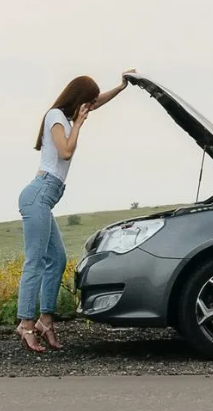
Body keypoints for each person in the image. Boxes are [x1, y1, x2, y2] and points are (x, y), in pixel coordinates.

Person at [15, 69, 134, 352]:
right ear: (79, 100)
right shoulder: (56, 116)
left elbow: (99, 101)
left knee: (57, 260)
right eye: (88, 104)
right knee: (35, 262)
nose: (91, 109)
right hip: (38, 195)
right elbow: (65, 151)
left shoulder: (65, 117)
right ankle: (26, 324)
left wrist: (121, 87)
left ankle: (45, 321)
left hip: (46, 196)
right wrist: (79, 123)